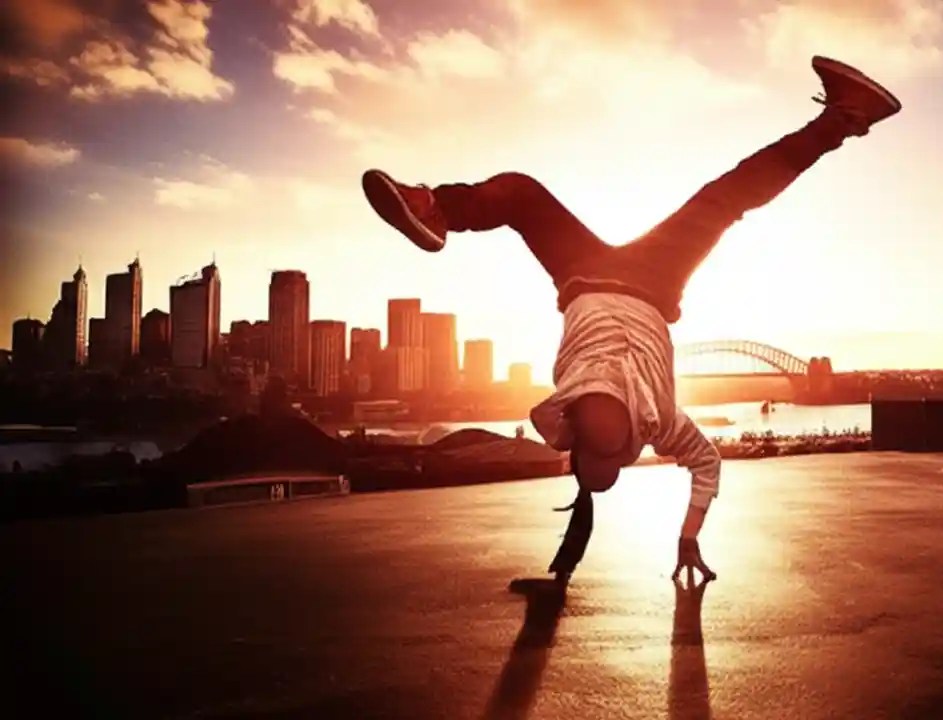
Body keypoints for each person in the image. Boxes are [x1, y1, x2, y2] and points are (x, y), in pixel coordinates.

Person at [361, 55, 901, 586]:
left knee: (521, 193)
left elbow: (583, 442)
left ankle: (435, 210)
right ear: (629, 450)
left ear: (575, 440)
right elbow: (707, 466)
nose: (606, 426)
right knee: (726, 198)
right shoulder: (661, 422)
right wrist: (689, 537)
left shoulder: (562, 411)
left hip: (583, 274)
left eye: (590, 442)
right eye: (613, 445)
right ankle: (844, 118)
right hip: (652, 282)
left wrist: (585, 475)